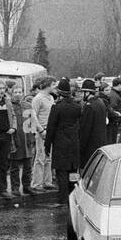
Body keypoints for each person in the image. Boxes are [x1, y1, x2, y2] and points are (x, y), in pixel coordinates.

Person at [45, 78, 83, 206]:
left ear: (59, 93)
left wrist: (47, 145)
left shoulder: (56, 107)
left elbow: (51, 127)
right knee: (73, 172)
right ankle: (73, 198)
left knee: (61, 172)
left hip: (60, 143)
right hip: (74, 143)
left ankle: (62, 200)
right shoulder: (77, 107)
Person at [9, 86, 37, 196]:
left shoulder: (27, 105)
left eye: (19, 92)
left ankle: (27, 186)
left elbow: (31, 122)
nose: (17, 94)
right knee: (15, 165)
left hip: (27, 138)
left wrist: (32, 137)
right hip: (15, 138)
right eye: (15, 92)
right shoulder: (10, 106)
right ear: (12, 93)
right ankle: (15, 188)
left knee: (28, 165)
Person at [31, 76, 57, 192]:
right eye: (53, 84)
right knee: (40, 157)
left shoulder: (51, 98)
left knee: (49, 157)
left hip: (50, 130)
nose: (55, 87)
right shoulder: (38, 98)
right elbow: (33, 115)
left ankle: (47, 181)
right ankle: (36, 183)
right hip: (42, 131)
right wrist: (40, 130)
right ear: (48, 85)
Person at [77, 78, 107, 169]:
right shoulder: (100, 102)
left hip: (90, 146)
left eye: (83, 92)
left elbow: (85, 129)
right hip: (100, 142)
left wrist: (81, 147)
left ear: (88, 93)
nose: (81, 95)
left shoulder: (89, 106)